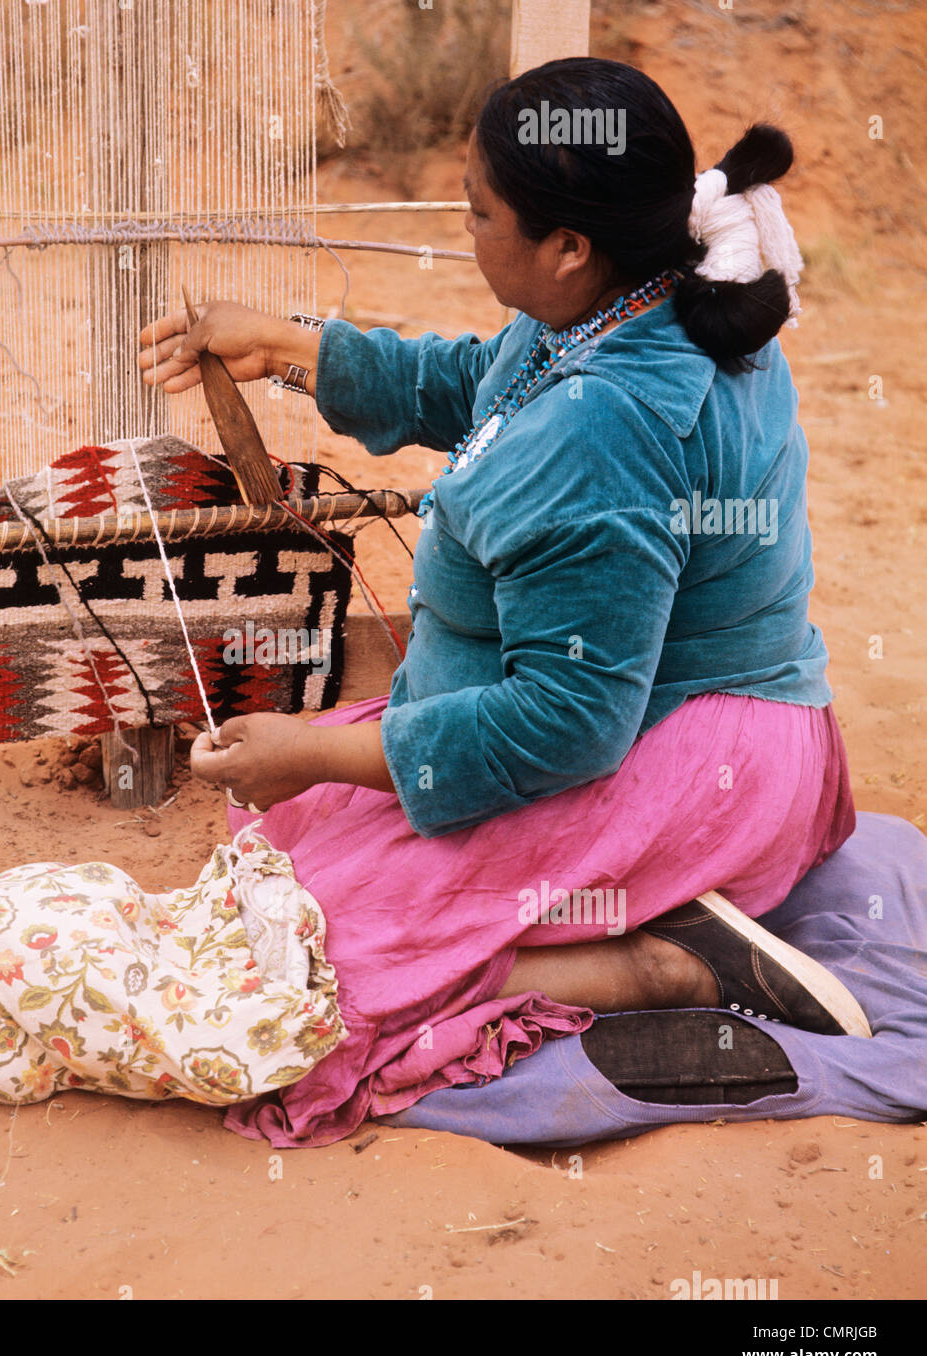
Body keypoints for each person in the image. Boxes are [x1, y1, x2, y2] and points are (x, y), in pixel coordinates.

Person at [137, 57, 869, 1148]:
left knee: (330, 966)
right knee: (286, 862)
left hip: (692, 757)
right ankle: (639, 920)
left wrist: (319, 751)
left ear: (568, 245)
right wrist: (295, 352)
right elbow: (487, 385)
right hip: (701, 723)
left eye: (479, 210)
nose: (462, 224)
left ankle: (670, 962)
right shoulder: (651, 290)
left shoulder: (607, 426)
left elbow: (565, 722)